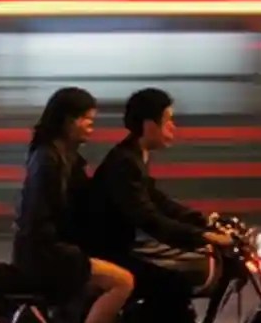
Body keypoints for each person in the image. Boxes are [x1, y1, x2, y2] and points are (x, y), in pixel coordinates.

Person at [11, 87, 134, 323]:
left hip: (52, 249)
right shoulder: (48, 161)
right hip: (46, 254)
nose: (92, 126)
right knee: (122, 282)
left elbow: (89, 200)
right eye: (87, 120)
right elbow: (45, 218)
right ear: (68, 121)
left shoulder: (65, 158)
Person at [86, 88, 234, 292]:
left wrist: (203, 221)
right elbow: (148, 218)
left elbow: (159, 201)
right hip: (109, 252)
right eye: (168, 120)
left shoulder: (134, 155)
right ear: (149, 125)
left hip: (121, 247)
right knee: (174, 283)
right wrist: (201, 236)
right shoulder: (124, 163)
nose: (173, 127)